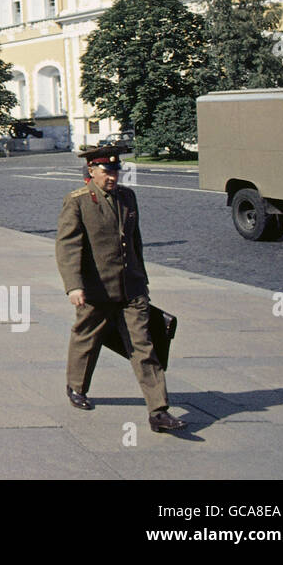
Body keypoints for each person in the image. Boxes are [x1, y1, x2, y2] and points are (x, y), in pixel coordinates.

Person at [55, 146, 186, 433]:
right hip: (97, 289)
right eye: (106, 171)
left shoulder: (128, 197)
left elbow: (134, 242)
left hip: (131, 288)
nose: (113, 177)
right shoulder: (77, 202)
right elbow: (68, 247)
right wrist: (74, 286)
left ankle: (158, 411)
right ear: (91, 171)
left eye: (116, 171)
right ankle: (76, 386)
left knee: (144, 346)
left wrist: (141, 279)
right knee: (86, 338)